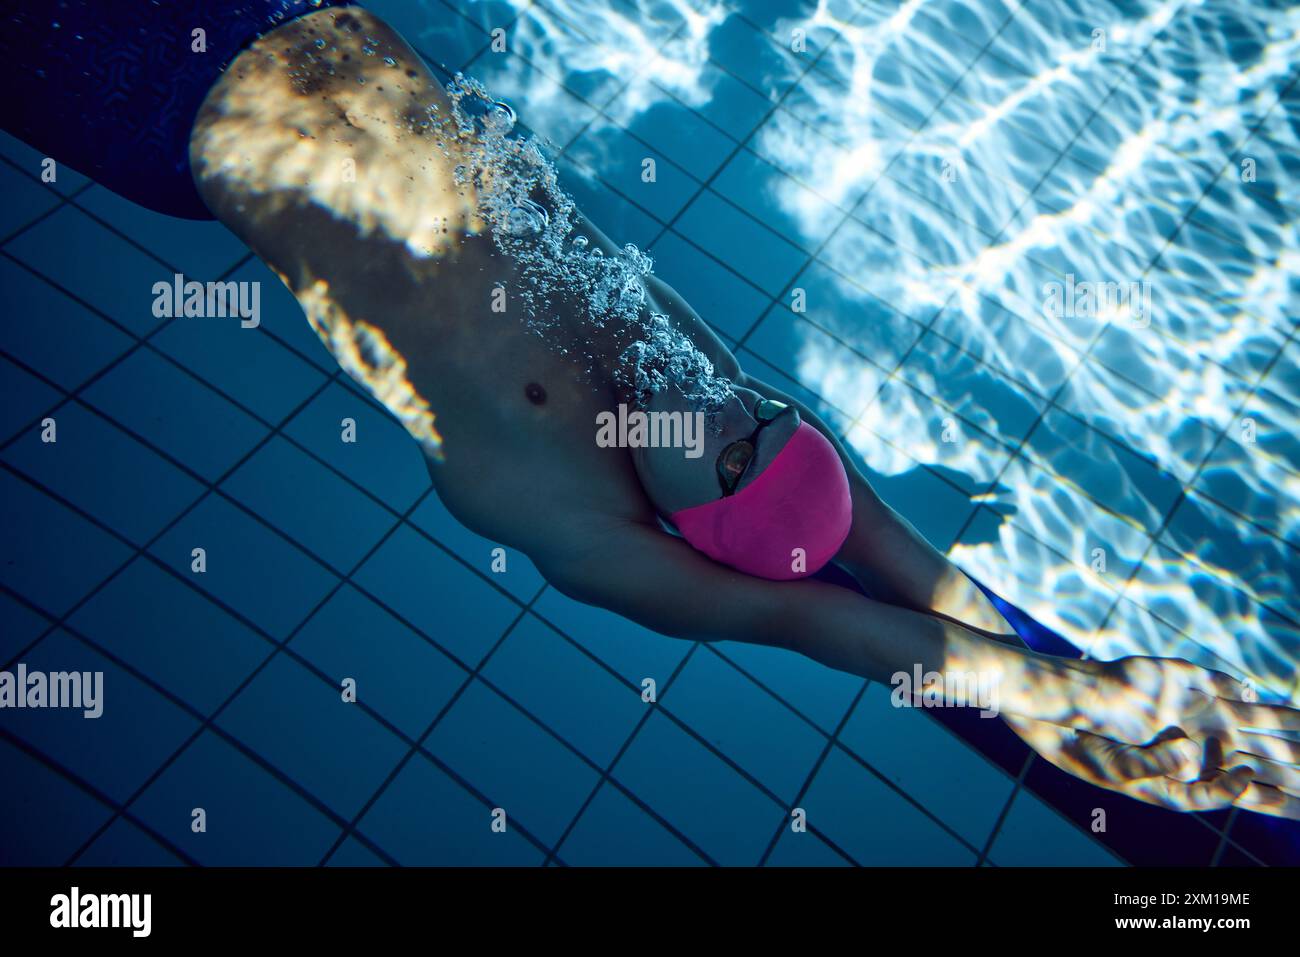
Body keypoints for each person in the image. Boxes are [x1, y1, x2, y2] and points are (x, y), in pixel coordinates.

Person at [8, 2, 1299, 820]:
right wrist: (1103, 686)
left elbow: (840, 625)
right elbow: (921, 576)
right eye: (760, 408)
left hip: (154, 90)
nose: (714, 389)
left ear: (693, 520)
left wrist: (1053, 702)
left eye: (729, 441)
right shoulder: (683, 372)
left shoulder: (573, 519)